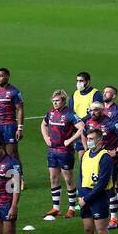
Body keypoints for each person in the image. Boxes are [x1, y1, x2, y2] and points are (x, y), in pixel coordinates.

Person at [72, 127, 114, 234]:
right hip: (85, 197)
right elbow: (80, 177)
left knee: (102, 232)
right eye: (87, 138)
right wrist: (80, 194)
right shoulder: (85, 155)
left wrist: (86, 199)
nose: (88, 141)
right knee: (88, 231)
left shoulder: (105, 158)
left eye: (91, 139)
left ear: (100, 141)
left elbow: (102, 183)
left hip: (98, 198)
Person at [40, 90, 80, 221]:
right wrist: (46, 137)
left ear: (63, 101)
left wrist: (70, 140)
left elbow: (82, 127)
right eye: (53, 100)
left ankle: (72, 208)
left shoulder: (70, 114)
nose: (55, 103)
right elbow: (43, 124)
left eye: (57, 100)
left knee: (68, 179)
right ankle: (56, 208)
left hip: (65, 152)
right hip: (52, 151)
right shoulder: (50, 113)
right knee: (53, 178)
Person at [100, 86, 118, 229]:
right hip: (100, 147)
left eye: (108, 92)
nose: (105, 94)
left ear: (114, 96)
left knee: (111, 176)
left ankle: (115, 204)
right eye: (104, 91)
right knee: (112, 175)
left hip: (112, 147)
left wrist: (116, 148)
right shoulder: (100, 109)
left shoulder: (117, 112)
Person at [0, 67, 25, 163]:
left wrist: (19, 128)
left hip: (9, 125)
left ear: (7, 77)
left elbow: (20, 109)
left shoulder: (14, 91)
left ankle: (19, 176)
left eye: (1, 76)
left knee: (12, 153)